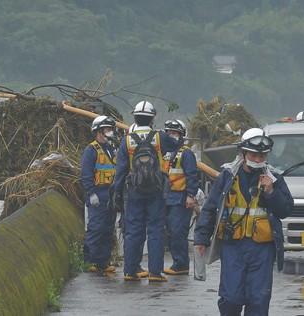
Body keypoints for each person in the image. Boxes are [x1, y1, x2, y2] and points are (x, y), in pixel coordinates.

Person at [194, 128, 293, 315]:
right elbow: (210, 208)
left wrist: (271, 192)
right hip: (233, 246)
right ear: (243, 152)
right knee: (230, 298)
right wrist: (201, 239)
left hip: (262, 249)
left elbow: (286, 209)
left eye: (262, 155)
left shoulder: (274, 178)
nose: (257, 159)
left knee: (259, 299)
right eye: (254, 155)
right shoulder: (227, 176)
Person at [111, 101, 179, 282]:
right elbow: (177, 145)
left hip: (134, 190)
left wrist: (116, 192)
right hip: (156, 190)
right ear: (152, 118)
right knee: (156, 230)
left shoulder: (126, 140)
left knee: (133, 230)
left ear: (134, 118)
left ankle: (130, 271)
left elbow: (121, 170)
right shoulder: (160, 137)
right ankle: (155, 272)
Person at [81, 115, 118, 272]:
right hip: (98, 193)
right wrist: (91, 193)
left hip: (111, 194)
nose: (110, 132)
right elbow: (86, 174)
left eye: (111, 129)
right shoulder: (91, 150)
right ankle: (90, 261)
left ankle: (103, 261)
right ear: (99, 131)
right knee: (96, 227)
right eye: (107, 129)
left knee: (108, 228)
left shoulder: (111, 150)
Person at [162, 119, 200, 276]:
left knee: (178, 232)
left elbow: (192, 175)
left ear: (181, 135)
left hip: (181, 198)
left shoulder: (186, 153)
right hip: (167, 198)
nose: (171, 136)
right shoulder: (165, 154)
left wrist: (191, 195)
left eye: (175, 133)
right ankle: (178, 263)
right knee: (170, 232)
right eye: (169, 133)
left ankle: (181, 264)